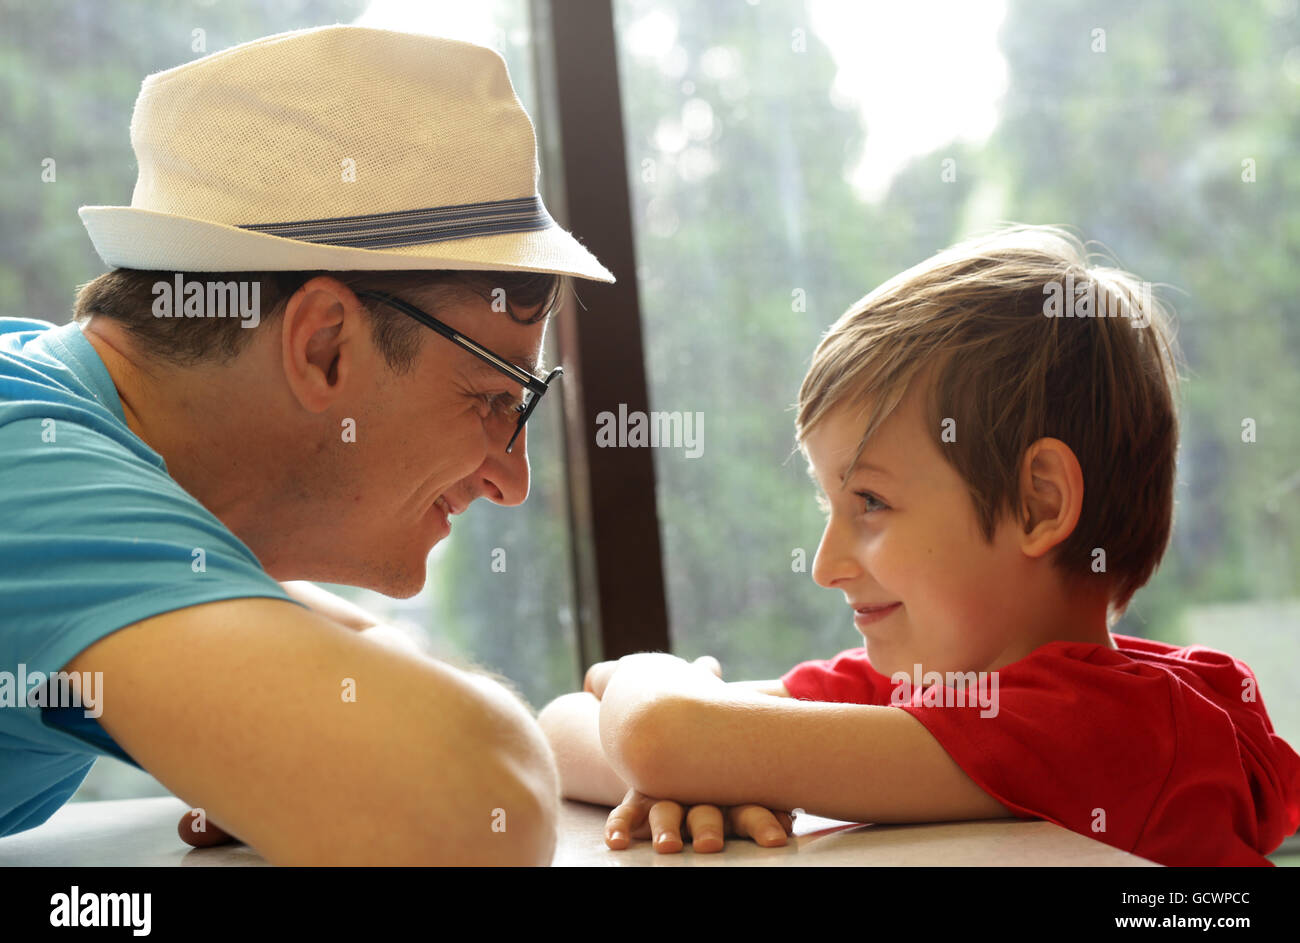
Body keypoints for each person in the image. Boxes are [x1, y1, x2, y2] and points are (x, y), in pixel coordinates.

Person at [0, 25, 613, 865]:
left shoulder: (54, 414)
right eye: (495, 397)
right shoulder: (31, 470)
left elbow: (356, 663)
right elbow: (476, 806)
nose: (513, 479)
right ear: (324, 344)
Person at [539, 225, 1300, 865]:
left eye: (870, 501)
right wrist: (704, 774)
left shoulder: (1115, 729)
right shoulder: (933, 687)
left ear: (1040, 503)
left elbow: (660, 732)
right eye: (828, 503)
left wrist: (649, 675)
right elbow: (561, 732)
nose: (825, 564)